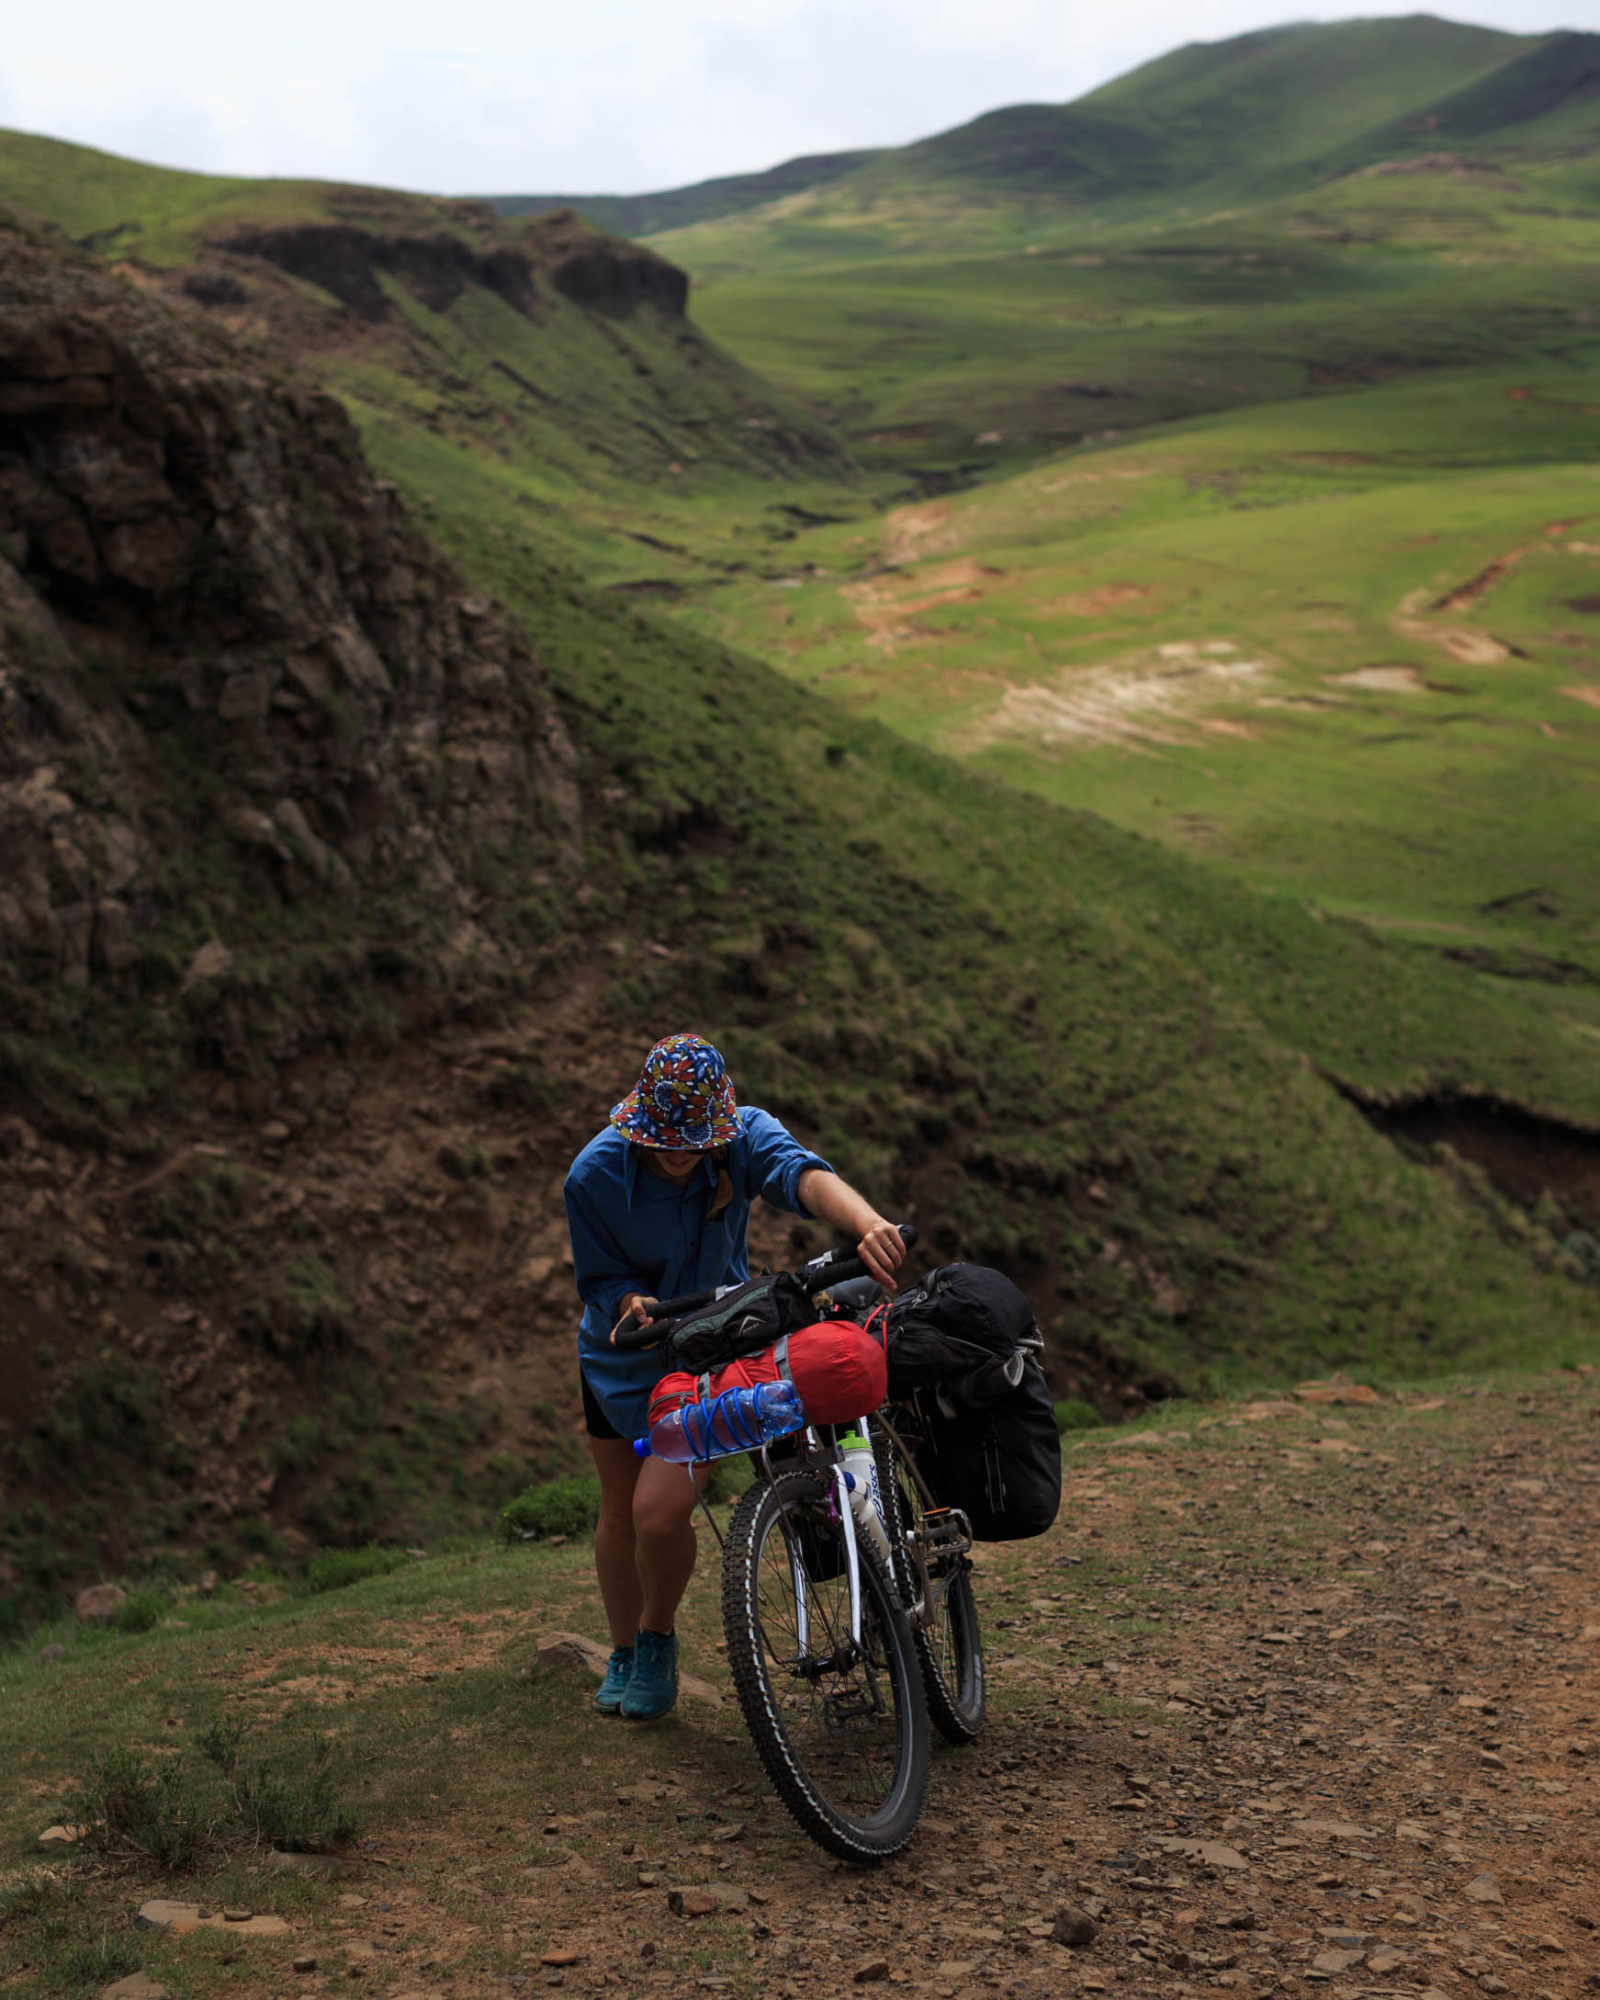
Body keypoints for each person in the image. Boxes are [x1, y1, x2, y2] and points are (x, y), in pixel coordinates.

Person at [563, 1032, 906, 1721]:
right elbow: (600, 1278)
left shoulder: (741, 1137)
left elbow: (801, 1175)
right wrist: (629, 1301)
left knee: (656, 1515)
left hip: (709, 1352)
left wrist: (867, 1223)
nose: (679, 1155)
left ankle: (657, 1639)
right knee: (617, 1510)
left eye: (692, 1143)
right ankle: (623, 1648)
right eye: (665, 1143)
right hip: (621, 1359)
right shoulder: (593, 1177)